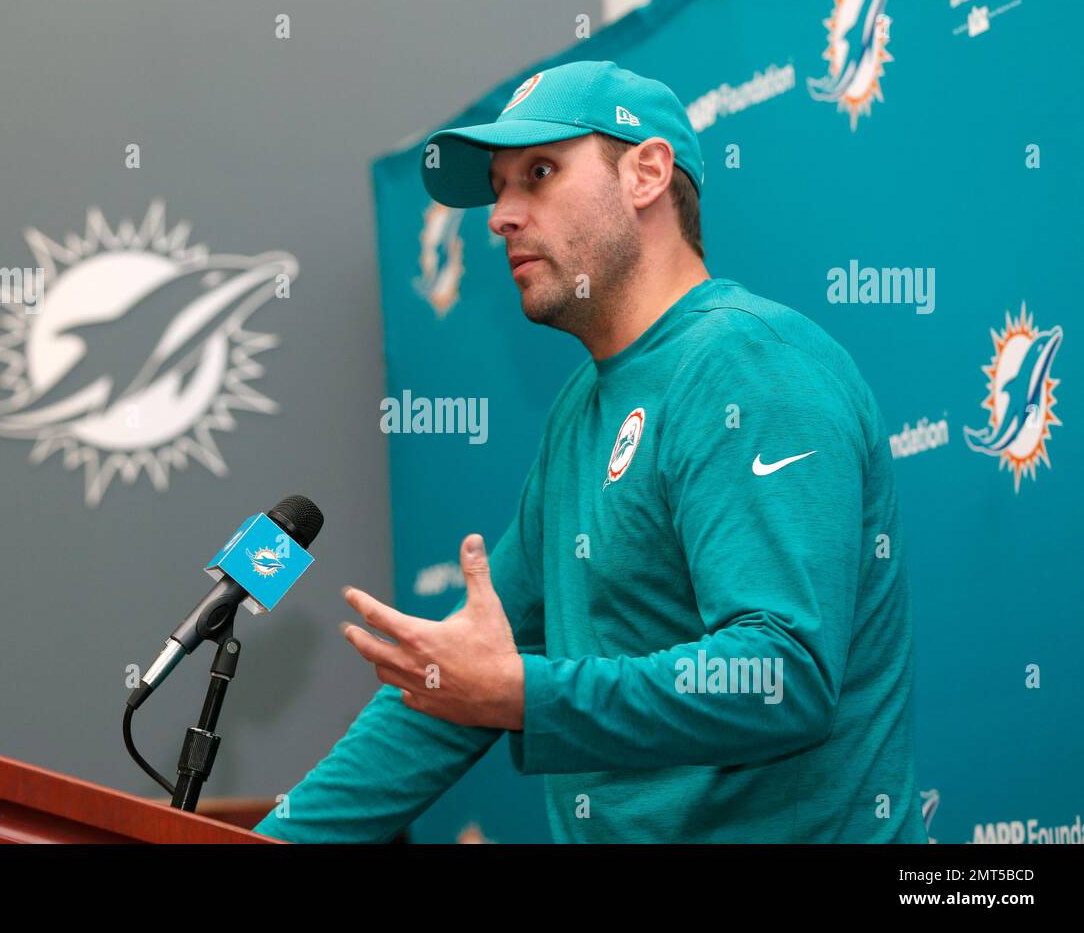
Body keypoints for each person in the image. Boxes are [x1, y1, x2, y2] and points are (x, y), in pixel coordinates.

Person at [254, 59, 927, 843]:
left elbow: (780, 674)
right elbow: (449, 695)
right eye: (499, 186)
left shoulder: (748, 362)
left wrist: (523, 695)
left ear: (646, 173)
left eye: (538, 172)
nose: (501, 215)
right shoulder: (582, 408)